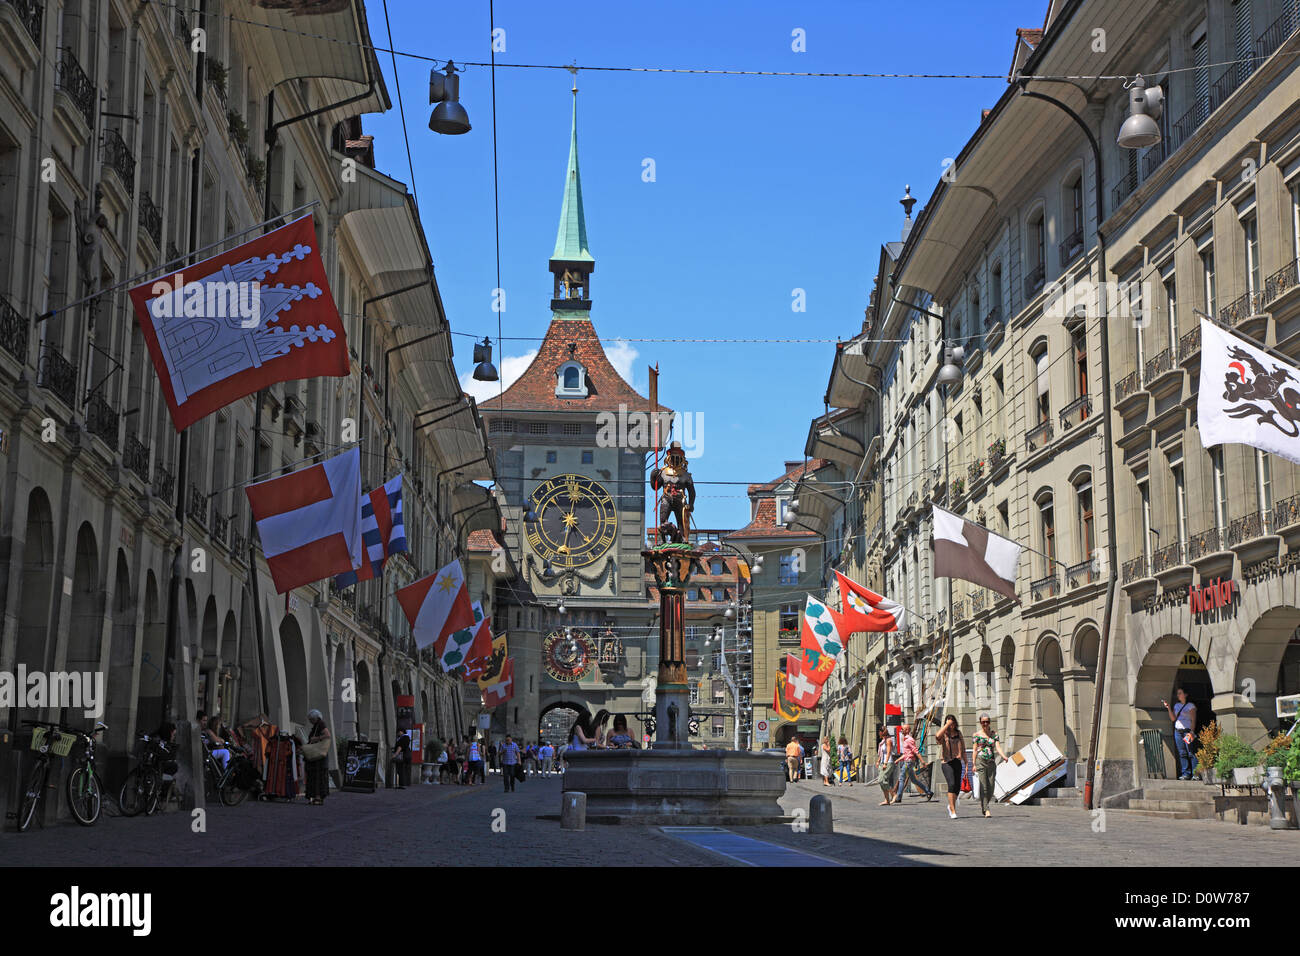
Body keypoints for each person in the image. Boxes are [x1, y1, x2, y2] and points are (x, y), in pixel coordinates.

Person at [972, 714, 1010, 818]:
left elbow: (998, 747)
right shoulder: (976, 735)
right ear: (980, 723)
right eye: (983, 722)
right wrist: (974, 764)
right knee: (983, 786)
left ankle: (984, 805)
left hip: (991, 762)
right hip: (981, 761)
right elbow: (975, 750)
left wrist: (1004, 756)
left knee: (991, 786)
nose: (985, 724)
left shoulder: (994, 734)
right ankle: (986, 809)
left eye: (987, 721)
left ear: (989, 722)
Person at [1162, 687, 1198, 780]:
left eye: (1180, 693)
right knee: (1182, 753)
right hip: (1178, 731)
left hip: (1187, 731)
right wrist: (1169, 708)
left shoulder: (1190, 706)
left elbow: (1193, 720)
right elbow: (1173, 719)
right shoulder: (1177, 705)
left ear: (1185, 695)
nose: (1178, 695)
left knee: (1191, 752)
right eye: (1177, 693)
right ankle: (1186, 773)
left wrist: (1191, 732)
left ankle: (1195, 774)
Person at [894, 723, 935, 802]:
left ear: (906, 730)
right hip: (908, 761)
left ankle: (898, 797)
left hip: (908, 762)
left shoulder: (909, 740)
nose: (901, 730)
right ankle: (928, 792)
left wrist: (922, 761)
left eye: (902, 729)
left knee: (902, 778)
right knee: (914, 780)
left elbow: (916, 751)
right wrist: (898, 760)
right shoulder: (906, 740)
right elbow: (906, 754)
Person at [936, 714, 966, 819]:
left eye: (952, 722)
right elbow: (937, 736)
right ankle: (952, 809)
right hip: (946, 762)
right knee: (952, 784)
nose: (951, 724)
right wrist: (946, 725)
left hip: (957, 761)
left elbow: (963, 749)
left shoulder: (958, 733)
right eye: (949, 722)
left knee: (957, 787)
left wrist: (966, 763)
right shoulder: (944, 734)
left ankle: (951, 804)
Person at [304, 709, 331, 805]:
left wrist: (317, 738)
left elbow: (327, 735)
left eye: (311, 719)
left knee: (318, 776)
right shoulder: (317, 725)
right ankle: (315, 797)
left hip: (319, 756)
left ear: (316, 718)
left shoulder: (321, 724)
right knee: (315, 776)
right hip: (318, 755)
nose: (310, 721)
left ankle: (318, 797)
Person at [876, 726, 896, 805]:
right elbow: (881, 753)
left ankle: (893, 794)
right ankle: (887, 800)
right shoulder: (883, 741)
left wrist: (885, 763)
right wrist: (878, 761)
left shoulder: (888, 740)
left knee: (882, 780)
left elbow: (888, 753)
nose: (878, 733)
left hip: (888, 762)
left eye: (879, 732)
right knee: (882, 782)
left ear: (882, 732)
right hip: (882, 763)